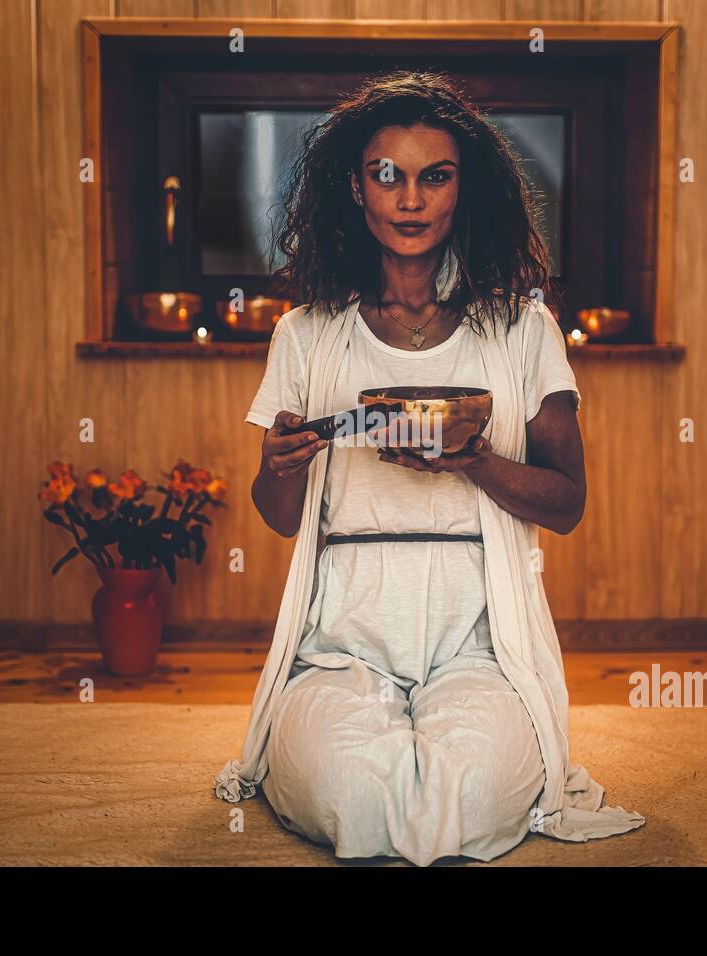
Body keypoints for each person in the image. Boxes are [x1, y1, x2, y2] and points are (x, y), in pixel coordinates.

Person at [214, 71, 645, 865]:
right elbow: (279, 516)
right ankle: (334, 747)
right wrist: (279, 463)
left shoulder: (523, 328)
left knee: (471, 795)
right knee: (355, 793)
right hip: (341, 635)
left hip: (477, 635)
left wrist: (475, 461)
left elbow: (567, 503)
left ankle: (455, 752)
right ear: (356, 186)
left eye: (434, 176)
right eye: (388, 175)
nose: (410, 200)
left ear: (462, 188)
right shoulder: (307, 334)